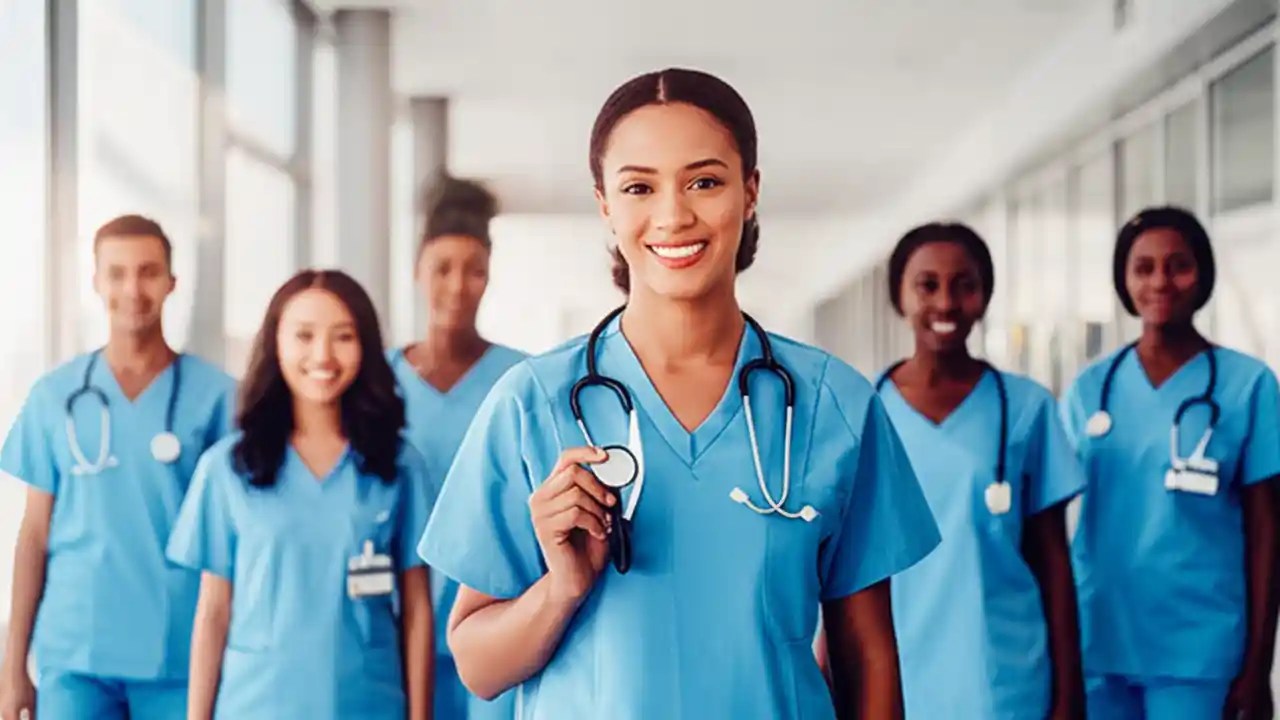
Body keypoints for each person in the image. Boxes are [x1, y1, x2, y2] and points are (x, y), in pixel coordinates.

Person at [416, 67, 941, 720]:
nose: (673, 215)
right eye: (639, 187)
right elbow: (477, 666)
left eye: (705, 182)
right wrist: (561, 589)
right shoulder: (531, 404)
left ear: (750, 191)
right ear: (605, 205)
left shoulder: (834, 405)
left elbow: (868, 657)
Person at [166, 270, 438, 719]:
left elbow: (417, 609)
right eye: (304, 336)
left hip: (367, 703)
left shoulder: (399, 465)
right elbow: (213, 612)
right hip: (257, 704)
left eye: (343, 337)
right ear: (275, 343)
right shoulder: (228, 468)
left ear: (366, 346)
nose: (323, 355)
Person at [0, 215, 237, 720]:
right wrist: (12, 666)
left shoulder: (218, 397)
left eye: (148, 272)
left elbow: (237, 536)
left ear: (171, 282)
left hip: (178, 655)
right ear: (96, 282)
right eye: (117, 273)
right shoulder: (55, 395)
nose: (133, 289)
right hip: (76, 656)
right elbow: (33, 536)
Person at [1060, 206, 1280, 720]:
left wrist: (1258, 665)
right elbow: (1045, 523)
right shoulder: (1090, 388)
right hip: (1099, 640)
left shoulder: (1248, 385)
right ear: (1124, 280)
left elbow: (1268, 532)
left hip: (1199, 649)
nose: (1161, 281)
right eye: (1144, 268)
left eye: (1178, 265)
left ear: (1203, 274)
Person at [873, 222, 1085, 719]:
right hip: (899, 681)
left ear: (985, 296)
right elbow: (844, 568)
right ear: (899, 296)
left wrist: (1069, 694)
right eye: (927, 285)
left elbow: (1054, 562)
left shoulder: (1027, 408)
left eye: (964, 285)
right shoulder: (865, 410)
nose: (946, 302)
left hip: (1003, 678)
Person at [388, 175, 527, 720]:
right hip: (394, 626)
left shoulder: (520, 379)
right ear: (417, 270)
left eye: (475, 270)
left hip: (495, 621)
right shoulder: (377, 381)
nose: (457, 285)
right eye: (442, 268)